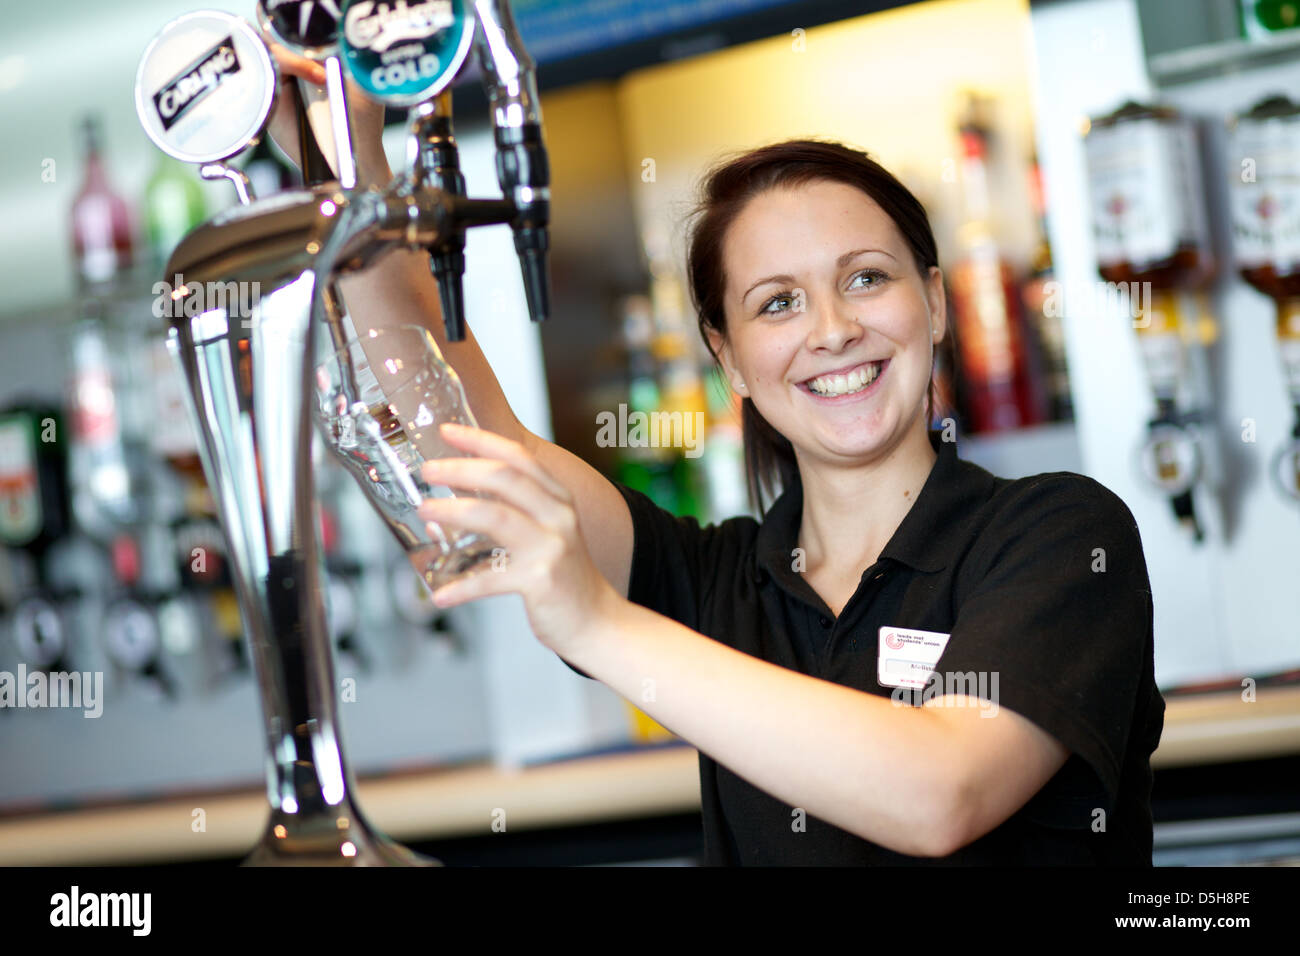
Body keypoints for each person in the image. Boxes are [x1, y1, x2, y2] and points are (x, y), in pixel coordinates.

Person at [268, 45, 1165, 866]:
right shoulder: (713, 583)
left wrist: (599, 626)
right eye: (777, 303)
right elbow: (468, 433)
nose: (833, 330)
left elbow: (942, 792)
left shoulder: (1060, 536)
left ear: (933, 303)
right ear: (728, 357)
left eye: (866, 277)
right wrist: (352, 168)